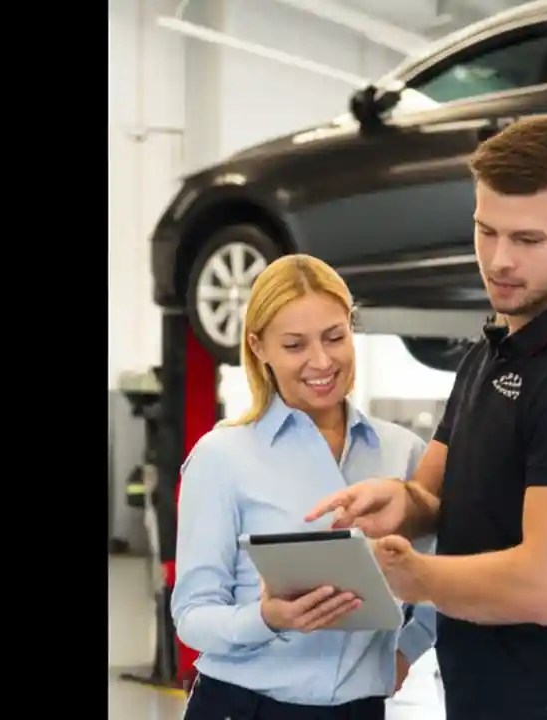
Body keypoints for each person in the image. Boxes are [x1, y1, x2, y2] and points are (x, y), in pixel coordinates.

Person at [306, 117, 547, 720]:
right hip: (478, 691)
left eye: (527, 240)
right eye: (485, 232)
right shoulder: (491, 350)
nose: (499, 260)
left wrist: (417, 580)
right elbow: (432, 495)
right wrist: (400, 503)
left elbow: (543, 586)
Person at [170, 253, 437, 720]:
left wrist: (406, 651)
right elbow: (192, 615)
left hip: (359, 709)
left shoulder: (404, 454)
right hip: (244, 706)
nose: (321, 361)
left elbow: (444, 575)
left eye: (335, 337)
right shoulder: (221, 457)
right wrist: (266, 618)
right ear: (258, 347)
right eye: (294, 345)